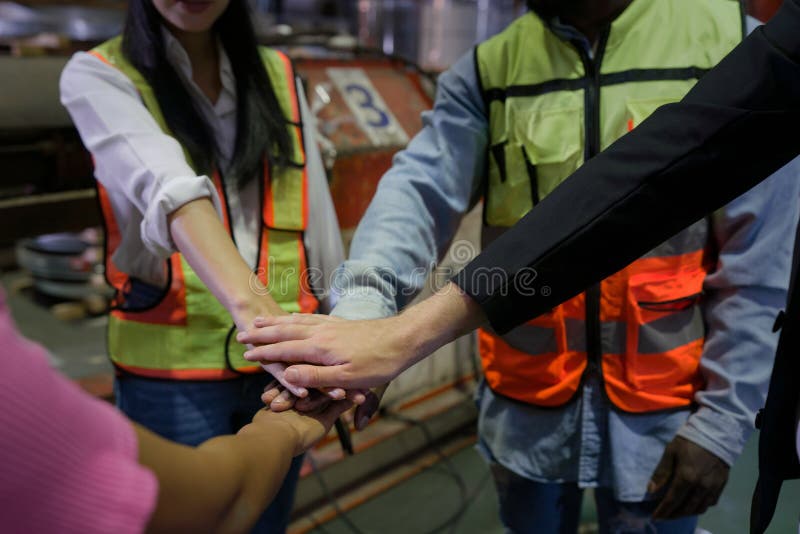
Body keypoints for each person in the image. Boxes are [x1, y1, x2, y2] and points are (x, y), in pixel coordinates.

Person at [237, 0, 800, 532]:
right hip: (528, 412)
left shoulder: (732, 45)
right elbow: (416, 194)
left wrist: (720, 423)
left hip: (664, 414)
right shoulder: (490, 68)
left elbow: (760, 263)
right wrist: (363, 317)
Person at [59, 0, 361, 530]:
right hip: (175, 375)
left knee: (267, 520)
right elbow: (166, 185)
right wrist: (262, 318)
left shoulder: (279, 73)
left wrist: (345, 332)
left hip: (283, 368)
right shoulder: (98, 75)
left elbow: (317, 217)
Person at [0, 288, 350, 534]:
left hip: (272, 370)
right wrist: (283, 431)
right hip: (176, 370)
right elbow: (216, 508)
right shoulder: (14, 394)